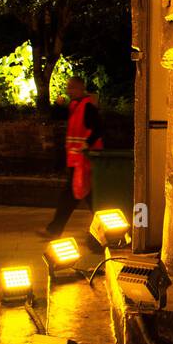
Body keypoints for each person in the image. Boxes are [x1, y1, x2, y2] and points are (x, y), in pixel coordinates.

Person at [38, 75, 104, 239]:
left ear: (80, 88)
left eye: (71, 87)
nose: (68, 90)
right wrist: (57, 106)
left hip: (85, 161)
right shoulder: (76, 106)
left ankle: (54, 230)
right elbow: (58, 116)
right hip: (79, 161)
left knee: (74, 196)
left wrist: (86, 144)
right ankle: (108, 231)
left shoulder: (87, 107)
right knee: (85, 197)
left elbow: (98, 128)